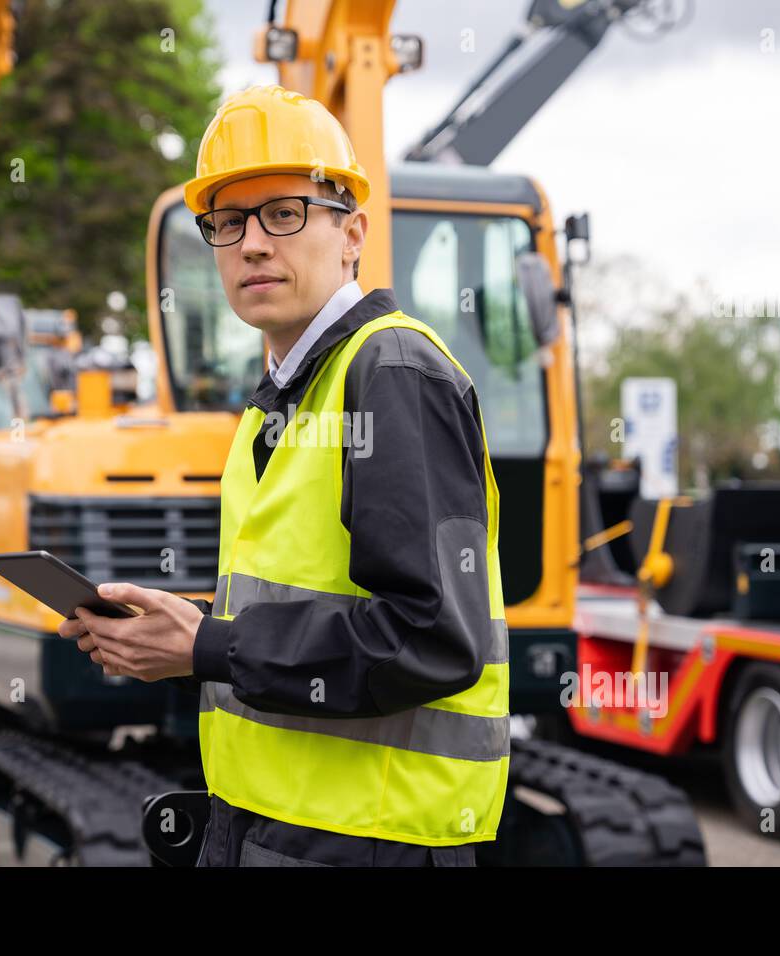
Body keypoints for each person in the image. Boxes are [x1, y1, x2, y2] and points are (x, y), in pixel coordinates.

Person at [58, 85, 508, 867]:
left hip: (368, 837)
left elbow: (432, 639)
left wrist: (210, 647)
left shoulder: (392, 373)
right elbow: (295, 603)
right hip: (268, 823)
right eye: (227, 223)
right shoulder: (279, 402)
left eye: (284, 212)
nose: (253, 244)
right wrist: (182, 630)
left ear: (352, 233)